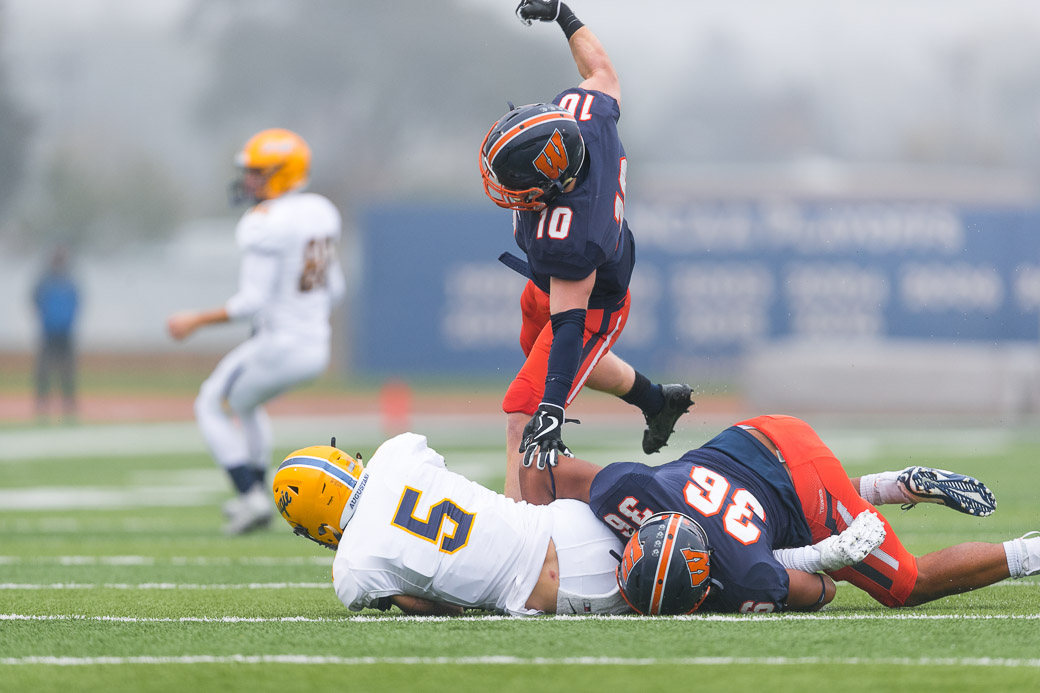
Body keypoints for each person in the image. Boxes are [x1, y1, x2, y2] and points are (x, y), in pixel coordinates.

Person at [273, 431, 882, 617]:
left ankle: (820, 569)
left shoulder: (354, 568)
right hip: (564, 527)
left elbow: (422, 603)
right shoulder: (396, 454)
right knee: (699, 542)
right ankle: (831, 530)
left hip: (555, 594)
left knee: (710, 592)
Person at [479, 1, 694, 500]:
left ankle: (517, 540)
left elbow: (571, 325)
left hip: (591, 304)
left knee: (523, 409)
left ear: (553, 182)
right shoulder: (587, 115)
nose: (507, 192)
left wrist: (552, 408)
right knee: (552, 356)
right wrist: (563, 15)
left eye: (517, 186)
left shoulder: (572, 237)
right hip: (546, 288)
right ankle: (656, 400)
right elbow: (600, 69)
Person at [520, 414, 1037, 613]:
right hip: (755, 434)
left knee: (909, 585)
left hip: (803, 485)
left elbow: (826, 589)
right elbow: (547, 471)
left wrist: (818, 557)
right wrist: (536, 515)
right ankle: (890, 485)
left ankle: (1030, 552)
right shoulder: (632, 490)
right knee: (782, 517)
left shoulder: (745, 573)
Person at [167, 128, 345, 535]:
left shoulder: (265, 221)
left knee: (210, 402)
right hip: (315, 345)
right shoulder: (321, 210)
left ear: (282, 173)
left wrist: (194, 320)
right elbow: (335, 289)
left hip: (280, 343)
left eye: (258, 172)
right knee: (244, 404)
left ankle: (250, 496)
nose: (249, 180)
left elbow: (251, 303)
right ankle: (256, 496)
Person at [272, 433, 630, 616]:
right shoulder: (399, 450)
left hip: (565, 591)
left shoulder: (353, 568)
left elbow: (440, 608)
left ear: (314, 526)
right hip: (572, 519)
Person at [32, 245, 80, 423]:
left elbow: (77, 302)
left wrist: (68, 320)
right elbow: (34, 300)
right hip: (48, 331)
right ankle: (42, 403)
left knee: (67, 370)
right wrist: (45, 318)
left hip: (66, 332)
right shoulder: (45, 281)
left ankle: (68, 404)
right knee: (43, 369)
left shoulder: (70, 282)